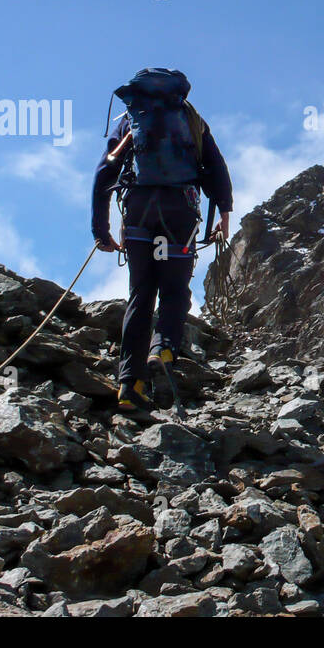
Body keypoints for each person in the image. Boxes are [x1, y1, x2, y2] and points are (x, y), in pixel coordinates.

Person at [90, 68, 232, 412]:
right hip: (179, 211)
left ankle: (129, 384)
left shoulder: (129, 119)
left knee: (140, 293)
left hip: (138, 210)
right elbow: (216, 169)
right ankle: (163, 348)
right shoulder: (190, 118)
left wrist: (101, 229)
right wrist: (224, 216)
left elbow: (104, 171)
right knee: (174, 289)